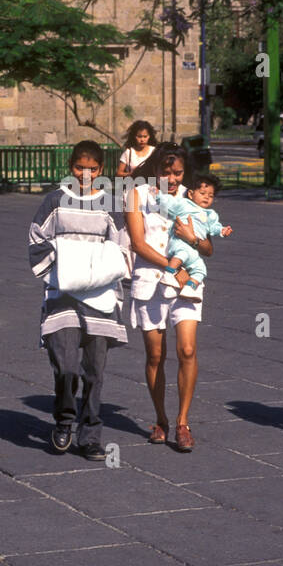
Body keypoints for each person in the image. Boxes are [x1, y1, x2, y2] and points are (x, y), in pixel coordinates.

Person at [28, 141, 129, 460]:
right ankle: (63, 421)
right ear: (70, 167)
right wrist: (64, 264)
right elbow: (36, 240)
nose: (85, 174)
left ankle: (91, 436)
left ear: (101, 170)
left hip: (100, 298)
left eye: (93, 169)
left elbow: (122, 248)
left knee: (94, 372)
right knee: (66, 367)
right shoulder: (55, 201)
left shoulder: (110, 203)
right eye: (79, 167)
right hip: (63, 297)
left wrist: (100, 271)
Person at [123, 143, 213, 452]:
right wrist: (171, 265)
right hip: (151, 282)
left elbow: (208, 248)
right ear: (155, 169)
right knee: (155, 355)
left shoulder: (193, 197)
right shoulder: (137, 194)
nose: (172, 180)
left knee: (187, 349)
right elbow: (137, 243)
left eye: (177, 173)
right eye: (166, 173)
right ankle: (160, 419)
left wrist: (192, 239)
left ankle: (183, 422)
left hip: (187, 284)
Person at [152, 172, 233, 301]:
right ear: (190, 194)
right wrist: (158, 195)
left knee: (201, 269)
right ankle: (168, 275)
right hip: (179, 243)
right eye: (202, 194)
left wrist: (222, 230)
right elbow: (168, 204)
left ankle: (189, 289)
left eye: (210, 196)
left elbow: (214, 227)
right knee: (181, 254)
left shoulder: (210, 214)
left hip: (194, 250)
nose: (206, 197)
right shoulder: (184, 204)